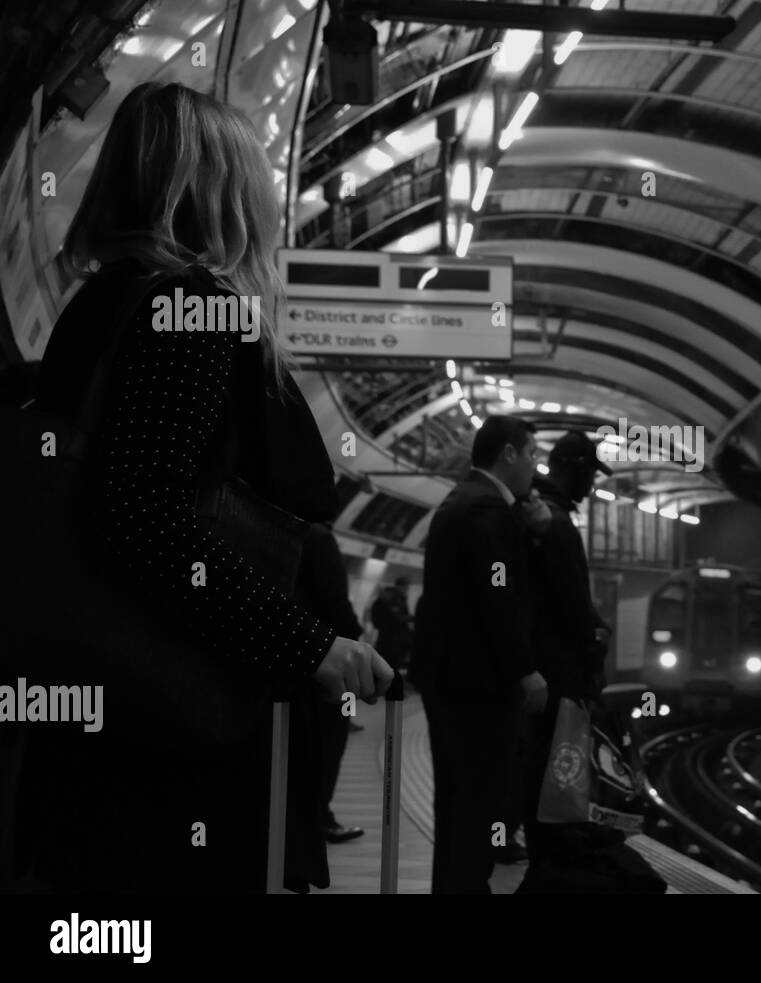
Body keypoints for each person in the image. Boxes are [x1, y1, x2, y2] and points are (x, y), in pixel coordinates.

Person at [11, 81, 392, 892]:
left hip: (94, 696)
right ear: (222, 190)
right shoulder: (192, 305)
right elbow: (145, 507)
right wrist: (309, 644)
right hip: (169, 713)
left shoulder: (97, 307)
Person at [411, 415, 550, 893]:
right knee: (477, 795)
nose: (536, 465)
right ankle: (465, 885)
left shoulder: (466, 501)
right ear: (508, 453)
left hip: (452, 678)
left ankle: (463, 884)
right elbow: (499, 597)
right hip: (475, 685)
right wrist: (525, 669)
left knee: (461, 797)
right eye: (532, 453)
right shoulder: (485, 511)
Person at [518, 431, 613, 869]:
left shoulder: (542, 512)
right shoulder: (553, 520)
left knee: (539, 763)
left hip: (543, 667)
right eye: (591, 473)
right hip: (558, 672)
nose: (592, 484)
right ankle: (553, 857)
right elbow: (570, 599)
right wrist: (593, 643)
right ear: (573, 468)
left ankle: (542, 845)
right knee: (555, 765)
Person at [293, 524, 368, 847]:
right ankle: (319, 819)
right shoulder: (318, 537)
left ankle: (294, 824)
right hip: (324, 664)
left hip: (284, 665)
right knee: (325, 748)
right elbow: (335, 601)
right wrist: (355, 640)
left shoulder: (262, 524)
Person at [371, 576, 414, 672]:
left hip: (387, 637)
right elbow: (397, 618)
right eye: (407, 587)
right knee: (390, 665)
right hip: (392, 639)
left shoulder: (393, 597)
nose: (407, 590)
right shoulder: (393, 598)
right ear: (400, 586)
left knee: (387, 665)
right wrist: (413, 617)